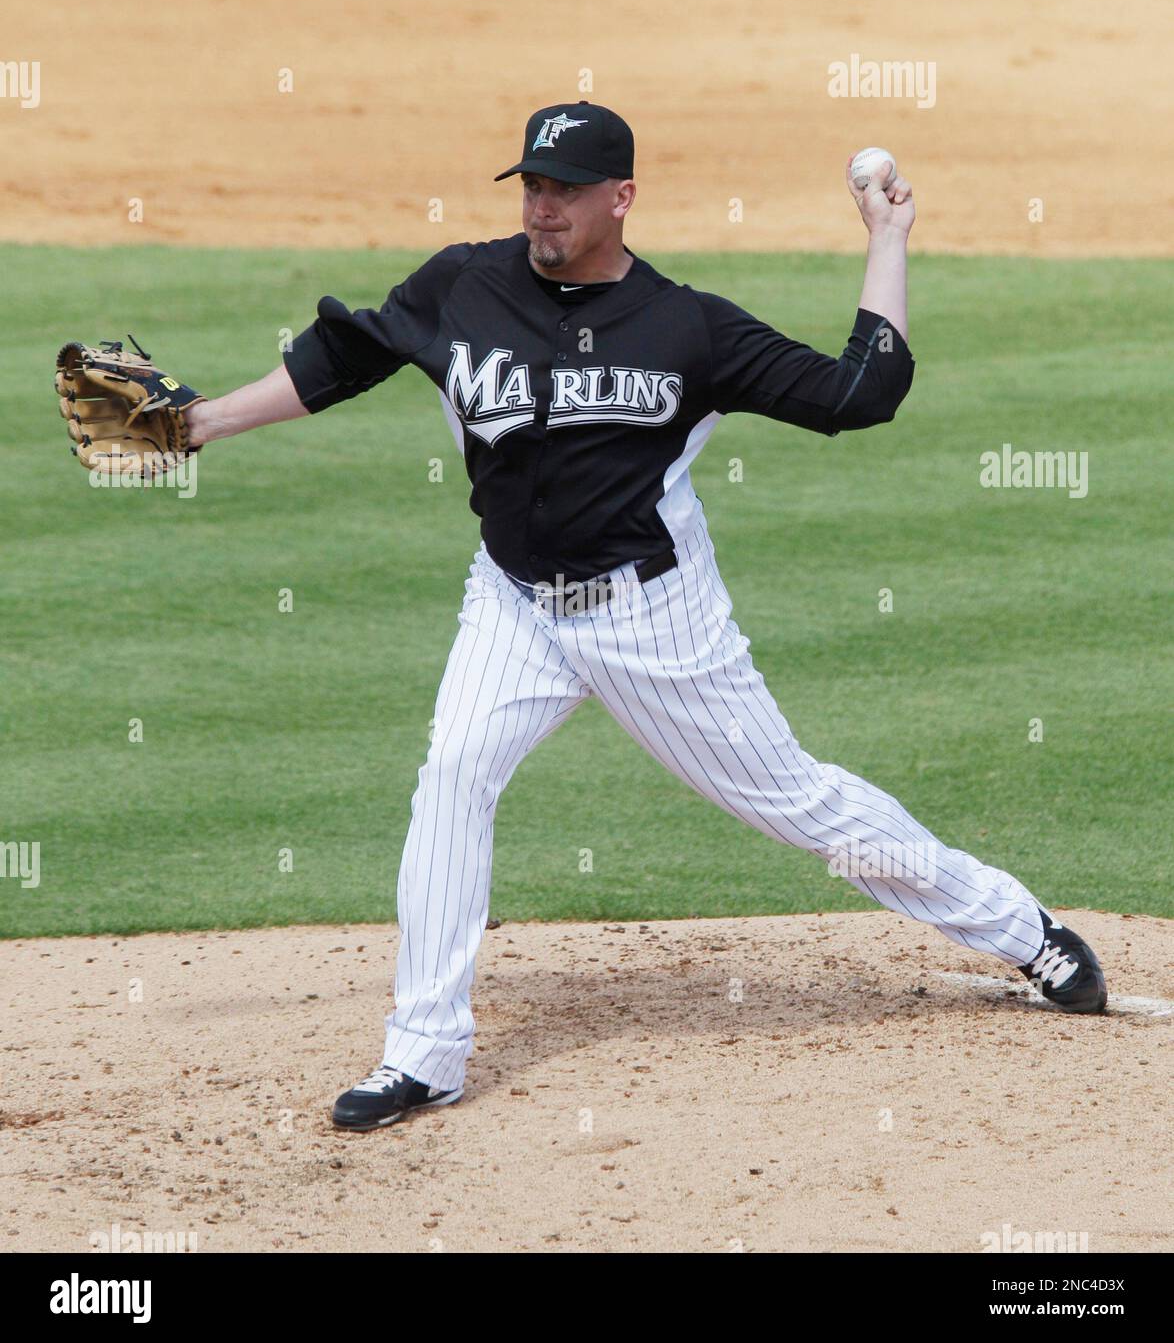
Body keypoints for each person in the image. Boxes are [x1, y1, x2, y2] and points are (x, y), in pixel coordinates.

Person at [184, 101, 1108, 1133]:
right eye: (531, 185)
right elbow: (343, 355)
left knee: (800, 805)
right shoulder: (464, 284)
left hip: (653, 619)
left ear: (620, 198)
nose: (542, 207)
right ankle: (422, 1053)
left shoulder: (687, 327)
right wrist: (198, 422)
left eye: (565, 189)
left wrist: (885, 241)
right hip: (512, 604)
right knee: (452, 776)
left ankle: (1023, 929)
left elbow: (860, 392)